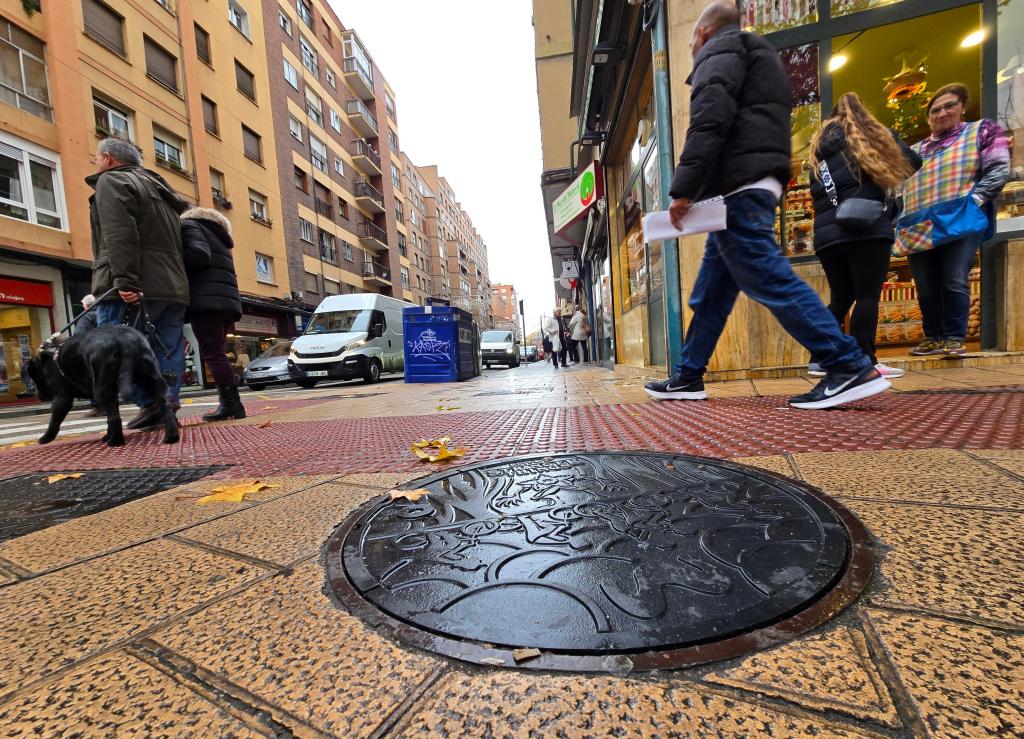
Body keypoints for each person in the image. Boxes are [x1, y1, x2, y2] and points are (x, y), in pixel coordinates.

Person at [643, 1, 889, 410]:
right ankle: (688, 376)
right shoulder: (759, 55)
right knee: (711, 293)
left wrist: (683, 189)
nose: (690, 47)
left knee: (768, 278)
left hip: (741, 190)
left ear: (703, 33)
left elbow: (709, 120)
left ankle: (847, 364)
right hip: (747, 189)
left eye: (690, 39)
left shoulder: (718, 52)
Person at [806, 92, 922, 380]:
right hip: (865, 227)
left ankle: (821, 358)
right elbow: (912, 162)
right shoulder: (871, 137)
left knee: (840, 297)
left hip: (827, 235)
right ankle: (865, 361)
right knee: (867, 296)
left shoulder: (818, 154)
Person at [895, 83, 1010, 357]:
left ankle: (955, 337)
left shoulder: (981, 131)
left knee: (954, 277)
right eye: (935, 109)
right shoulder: (915, 150)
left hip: (960, 216)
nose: (942, 113)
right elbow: (897, 187)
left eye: (949, 106)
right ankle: (933, 336)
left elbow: (998, 167)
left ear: (961, 108)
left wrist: (975, 201)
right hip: (918, 222)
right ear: (928, 117)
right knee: (924, 283)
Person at [87, 137, 189, 430]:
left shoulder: (112, 181)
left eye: (97, 157)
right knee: (166, 348)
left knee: (117, 349)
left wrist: (126, 280)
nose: (96, 162)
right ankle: (165, 401)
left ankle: (152, 403)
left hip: (134, 284)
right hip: (172, 286)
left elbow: (119, 233)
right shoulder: (161, 189)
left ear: (107, 159)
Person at [180, 207, 247, 421]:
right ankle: (231, 404)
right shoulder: (217, 235)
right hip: (225, 300)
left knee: (213, 352)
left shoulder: (189, 226)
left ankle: (231, 405)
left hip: (206, 299)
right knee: (217, 351)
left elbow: (198, 255)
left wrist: (175, 258)